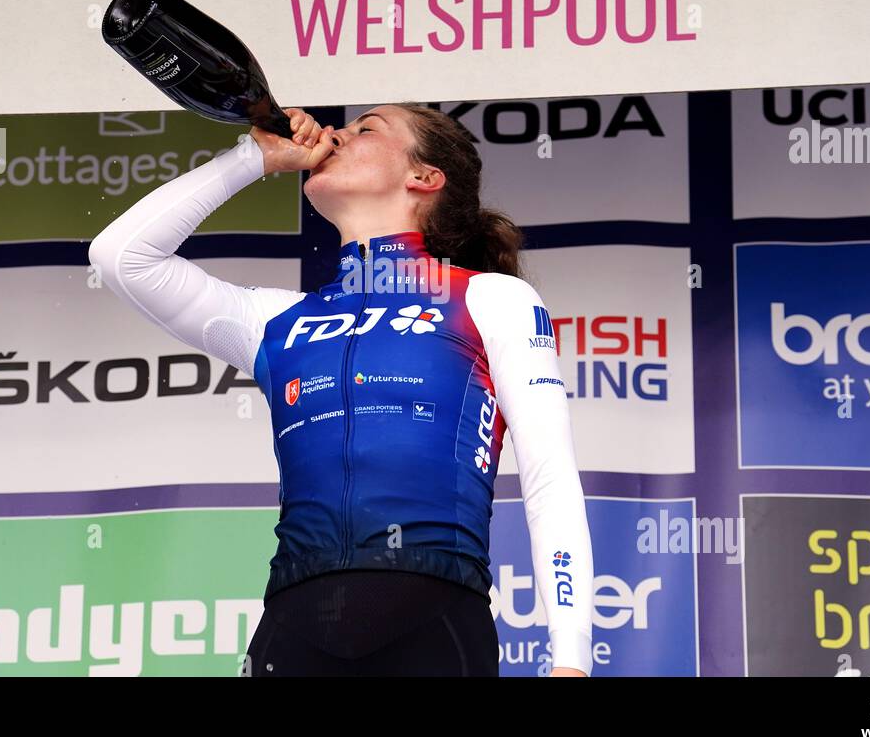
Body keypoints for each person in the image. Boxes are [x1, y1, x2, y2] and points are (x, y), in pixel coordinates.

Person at [88, 103, 593, 677]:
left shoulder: (491, 299)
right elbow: (120, 257)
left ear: (424, 177)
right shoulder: (277, 321)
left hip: (435, 616)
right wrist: (254, 157)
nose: (334, 135)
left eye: (366, 128)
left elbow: (549, 478)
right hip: (293, 624)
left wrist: (571, 659)